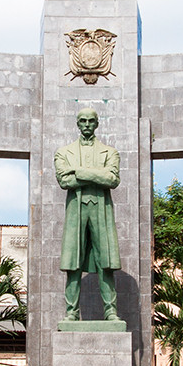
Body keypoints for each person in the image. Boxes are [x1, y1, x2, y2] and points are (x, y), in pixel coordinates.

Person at [55, 107, 121, 321]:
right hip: (77, 210)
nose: (86, 125)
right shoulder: (64, 152)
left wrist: (80, 171)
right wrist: (97, 175)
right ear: (77, 123)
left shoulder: (110, 152)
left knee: (106, 261)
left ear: (97, 123)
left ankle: (110, 310)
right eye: (82, 121)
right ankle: (71, 312)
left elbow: (112, 179)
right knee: (73, 262)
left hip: (101, 209)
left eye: (91, 121)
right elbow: (64, 181)